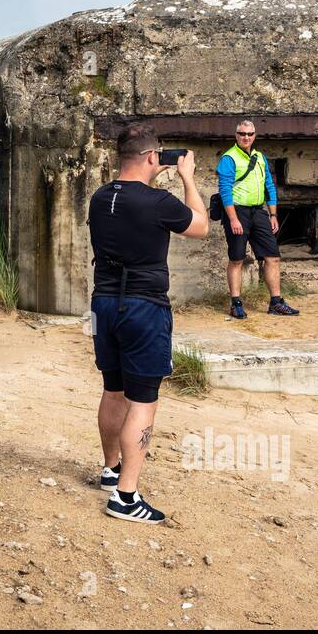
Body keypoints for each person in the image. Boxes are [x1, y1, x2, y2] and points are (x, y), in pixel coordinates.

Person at [88, 126, 208, 524]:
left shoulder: (100, 198)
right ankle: (125, 497)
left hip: (103, 304)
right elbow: (200, 227)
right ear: (154, 158)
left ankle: (110, 470)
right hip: (143, 308)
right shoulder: (158, 201)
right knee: (143, 399)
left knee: (113, 389)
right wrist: (188, 177)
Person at [216, 119, 299, 318]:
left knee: (273, 257)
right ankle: (236, 303)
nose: (246, 137)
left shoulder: (260, 157)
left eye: (250, 134)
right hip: (237, 212)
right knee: (237, 259)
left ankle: (276, 303)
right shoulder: (229, 158)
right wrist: (234, 219)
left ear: (255, 136)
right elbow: (225, 190)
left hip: (258, 212)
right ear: (236, 135)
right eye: (242, 133)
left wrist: (273, 214)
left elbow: (269, 186)